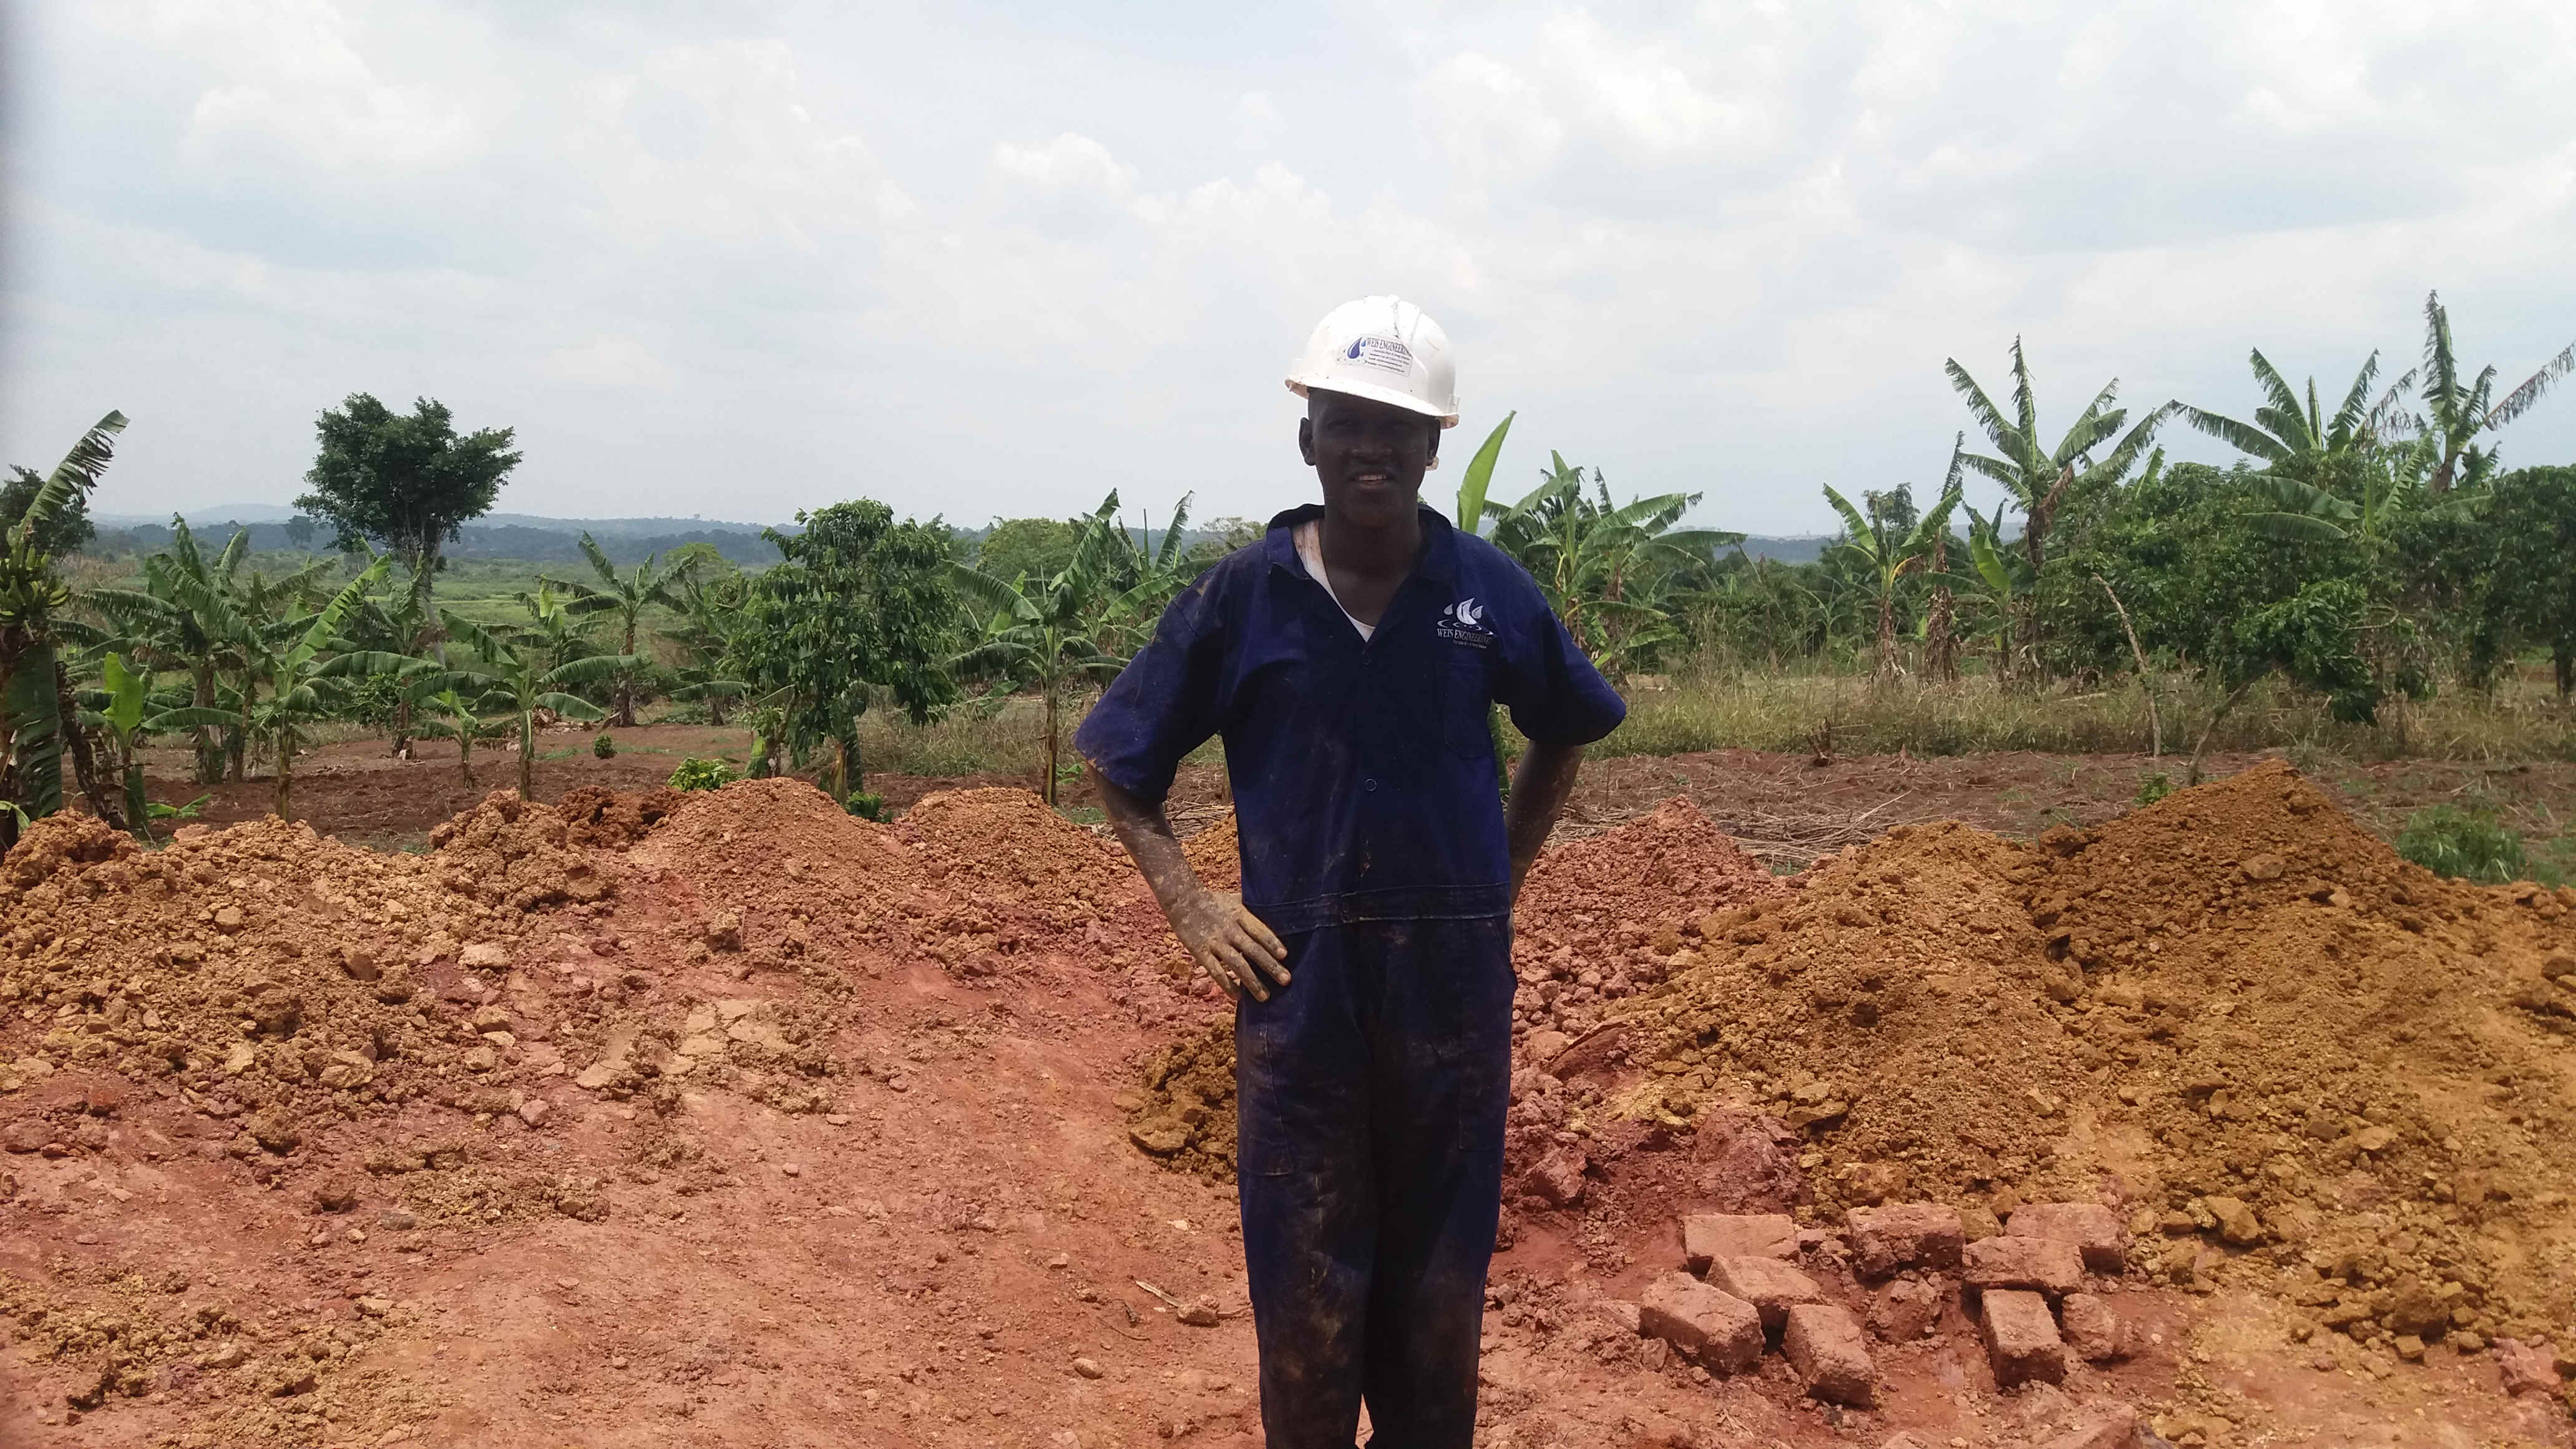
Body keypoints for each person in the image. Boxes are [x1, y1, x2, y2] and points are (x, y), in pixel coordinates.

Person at [1075, 296, 1627, 1447]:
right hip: (1302, 1004)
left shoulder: (1486, 592)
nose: (1370, 445)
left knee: (1437, 1321)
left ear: (1435, 446)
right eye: (1345, 419)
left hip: (1452, 1002)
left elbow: (1571, 721)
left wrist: (1504, 871)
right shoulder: (1244, 598)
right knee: (1308, 1322)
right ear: (1306, 435)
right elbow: (1118, 759)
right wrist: (1189, 902)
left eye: (1397, 425)